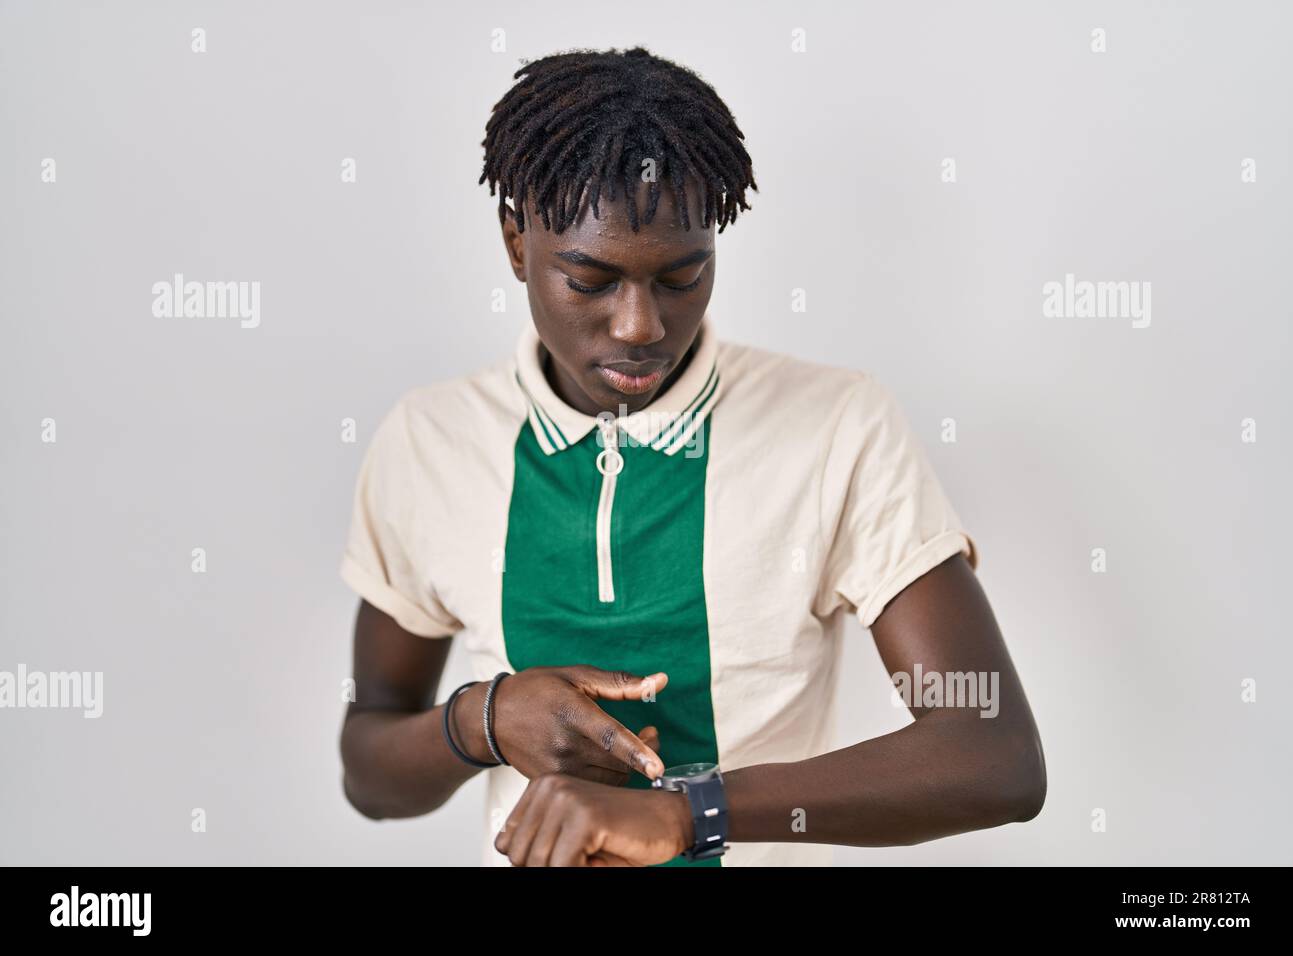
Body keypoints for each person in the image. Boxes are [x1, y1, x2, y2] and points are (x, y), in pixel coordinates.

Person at [337, 45, 1045, 867]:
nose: (640, 325)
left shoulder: (835, 426)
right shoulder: (429, 442)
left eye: (682, 276)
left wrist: (690, 811)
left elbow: (993, 755)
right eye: (592, 279)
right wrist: (484, 720)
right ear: (515, 242)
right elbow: (369, 771)